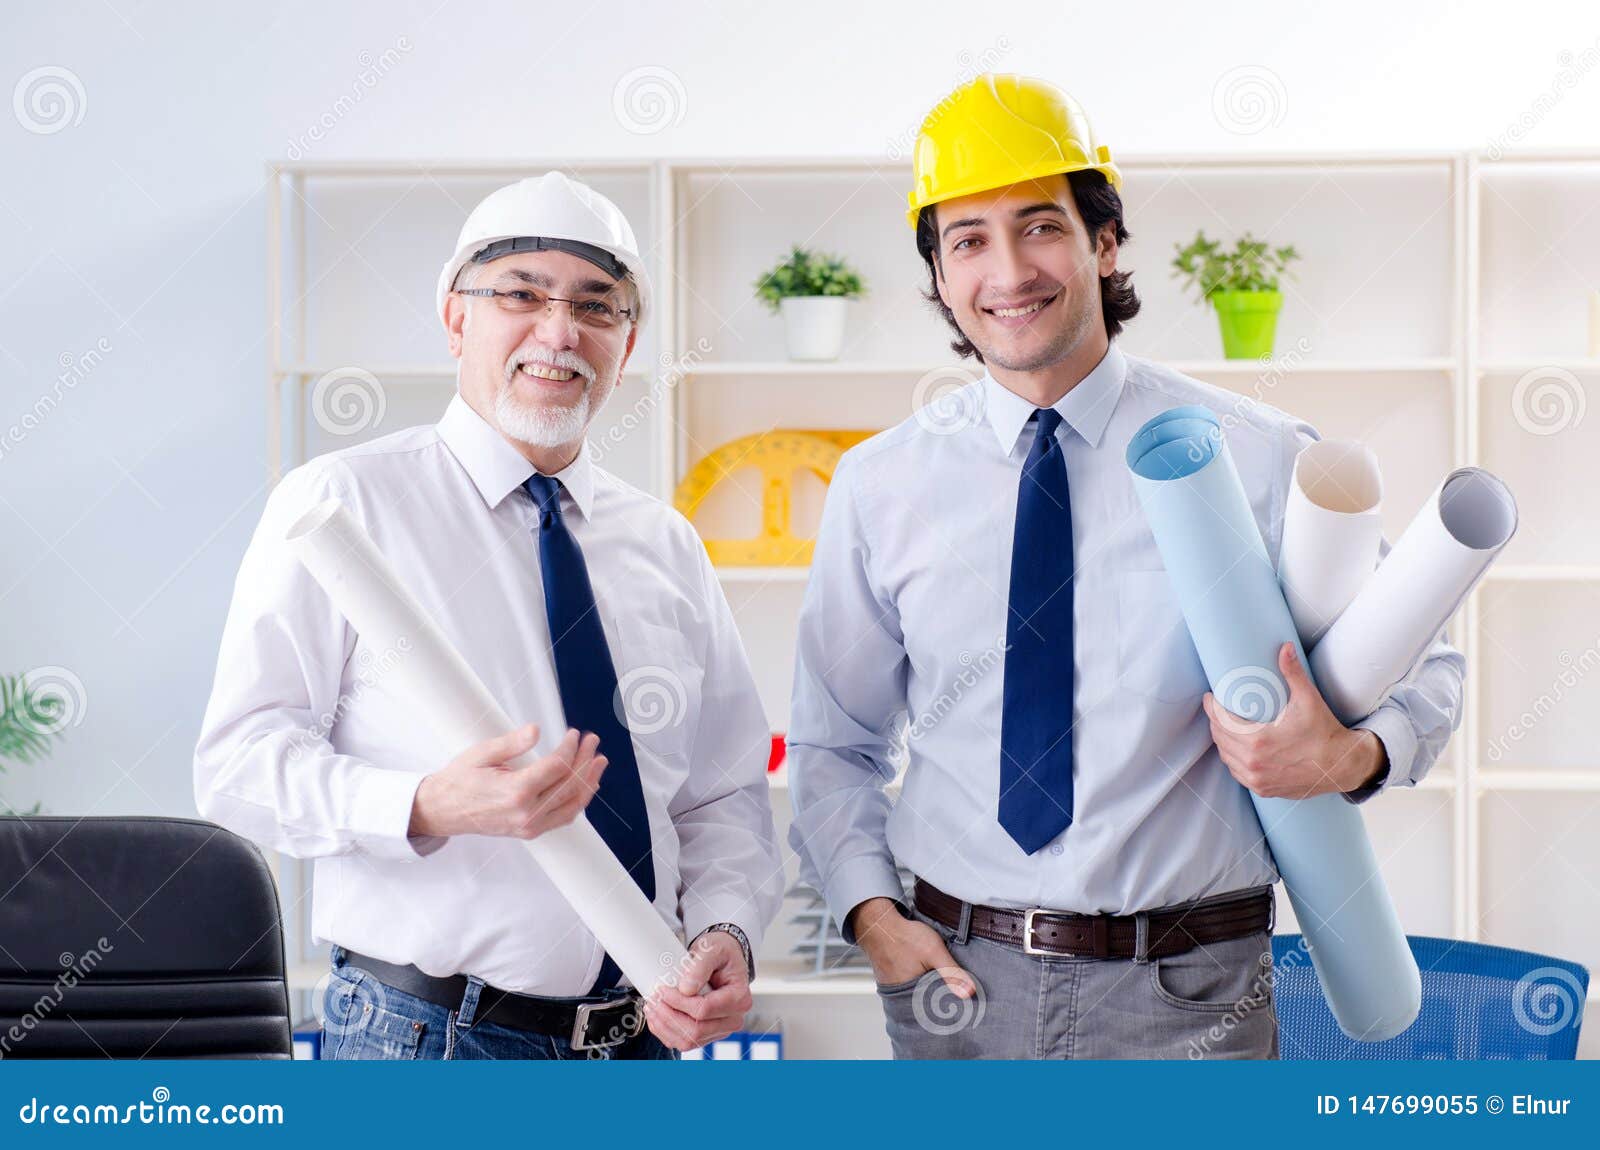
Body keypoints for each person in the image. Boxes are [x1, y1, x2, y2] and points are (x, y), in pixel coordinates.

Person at [786, 75, 1463, 1060]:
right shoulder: (879, 484)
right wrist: (869, 917)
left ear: (1103, 242)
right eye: (966, 238)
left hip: (1186, 995)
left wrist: (1347, 755)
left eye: (1039, 225)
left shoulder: (1254, 455)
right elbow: (832, 743)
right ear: (938, 273)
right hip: (953, 990)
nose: (1008, 269)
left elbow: (1429, 665)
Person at [195, 172, 781, 1059]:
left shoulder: (663, 544)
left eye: (597, 305)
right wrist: (426, 804)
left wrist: (727, 933)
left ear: (628, 343)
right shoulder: (342, 509)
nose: (559, 331)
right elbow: (238, 767)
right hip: (429, 1042)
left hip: (642, 1045)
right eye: (519, 294)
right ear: (456, 316)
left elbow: (723, 793)